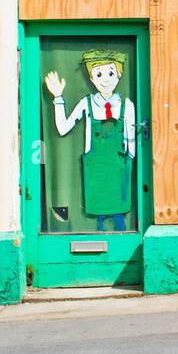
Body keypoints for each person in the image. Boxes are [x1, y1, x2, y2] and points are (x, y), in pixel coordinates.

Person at [44, 49, 136, 232]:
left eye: (110, 73)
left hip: (118, 170)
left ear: (119, 75)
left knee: (120, 220)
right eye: (99, 74)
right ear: (92, 78)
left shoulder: (127, 105)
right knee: (99, 218)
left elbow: (131, 140)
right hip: (95, 169)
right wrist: (57, 97)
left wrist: (128, 161)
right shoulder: (86, 103)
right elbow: (62, 128)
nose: (105, 79)